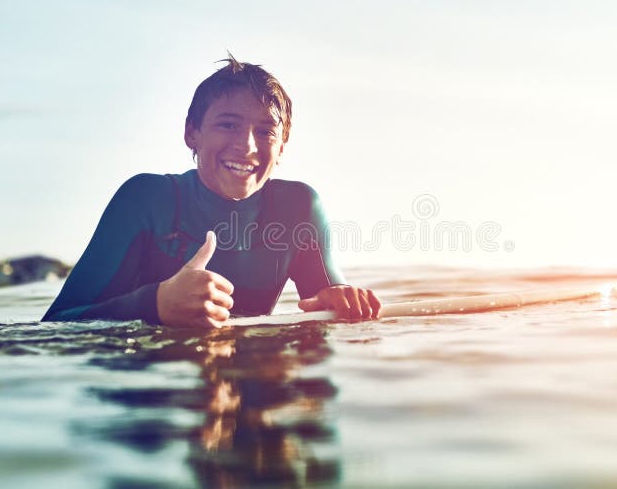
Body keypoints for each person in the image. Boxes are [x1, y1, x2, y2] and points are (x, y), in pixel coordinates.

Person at [42, 55, 380, 327]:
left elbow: (326, 310)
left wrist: (345, 303)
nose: (247, 146)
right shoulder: (146, 200)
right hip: (155, 391)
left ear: (282, 146)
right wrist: (155, 304)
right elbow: (53, 327)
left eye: (265, 132)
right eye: (228, 124)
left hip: (253, 391)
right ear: (192, 133)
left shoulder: (297, 209)